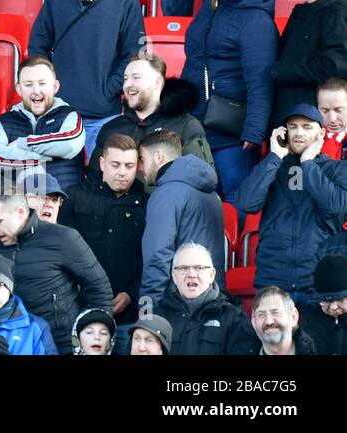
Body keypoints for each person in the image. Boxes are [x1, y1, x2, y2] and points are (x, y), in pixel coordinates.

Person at [0, 193, 113, 351]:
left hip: (62, 342)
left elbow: (99, 289)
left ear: (20, 212)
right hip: (9, 344)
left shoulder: (64, 237)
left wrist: (93, 339)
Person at [28, 0, 144, 153]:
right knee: (59, 181)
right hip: (59, 109)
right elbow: (38, 44)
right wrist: (47, 85)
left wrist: (109, 89)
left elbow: (134, 53)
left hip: (102, 112)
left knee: (95, 178)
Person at [181, 0, 279, 200]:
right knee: (199, 199)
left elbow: (261, 81)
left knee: (236, 196)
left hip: (232, 130)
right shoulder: (210, 7)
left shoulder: (257, 21)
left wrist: (254, 131)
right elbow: (194, 62)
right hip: (196, 123)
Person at [238, 105, 347, 304]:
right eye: (293, 126)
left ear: (321, 133)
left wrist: (307, 163)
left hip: (317, 282)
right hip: (273, 281)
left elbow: (335, 207)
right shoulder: (272, 166)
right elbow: (247, 203)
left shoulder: (337, 169)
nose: (298, 133)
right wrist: (275, 156)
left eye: (307, 127)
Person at [58, 133, 146, 327]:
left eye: (129, 166)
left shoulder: (148, 203)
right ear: (102, 162)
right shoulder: (74, 196)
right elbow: (62, 253)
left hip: (129, 314)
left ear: (138, 166)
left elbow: (151, 259)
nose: (122, 172)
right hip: (80, 309)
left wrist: (131, 294)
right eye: (115, 165)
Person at [138, 130, 226, 306]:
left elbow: (157, 256)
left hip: (177, 304)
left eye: (142, 159)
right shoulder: (212, 195)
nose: (140, 168)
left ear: (158, 156)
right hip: (212, 299)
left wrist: (148, 309)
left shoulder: (166, 194)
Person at [90, 52, 214, 178]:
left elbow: (202, 180)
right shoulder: (111, 128)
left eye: (136, 77)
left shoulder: (186, 126)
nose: (127, 85)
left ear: (157, 83)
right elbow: (93, 184)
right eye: (126, 78)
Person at [0, 56, 86, 192]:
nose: (36, 90)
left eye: (42, 83)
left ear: (55, 87)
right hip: (19, 207)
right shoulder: (4, 122)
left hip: (66, 204)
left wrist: (22, 144)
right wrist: (40, 158)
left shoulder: (70, 115)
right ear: (18, 89)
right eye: (28, 84)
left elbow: (69, 144)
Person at [272, 0, 347, 124]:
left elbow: (335, 65)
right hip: (293, 113)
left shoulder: (337, 12)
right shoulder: (307, 11)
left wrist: (285, 71)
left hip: (310, 120)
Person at [158, 242, 261, 355]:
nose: (191, 274)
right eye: (183, 268)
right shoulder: (157, 317)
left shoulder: (235, 320)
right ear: (174, 275)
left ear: (211, 275)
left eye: (199, 268)